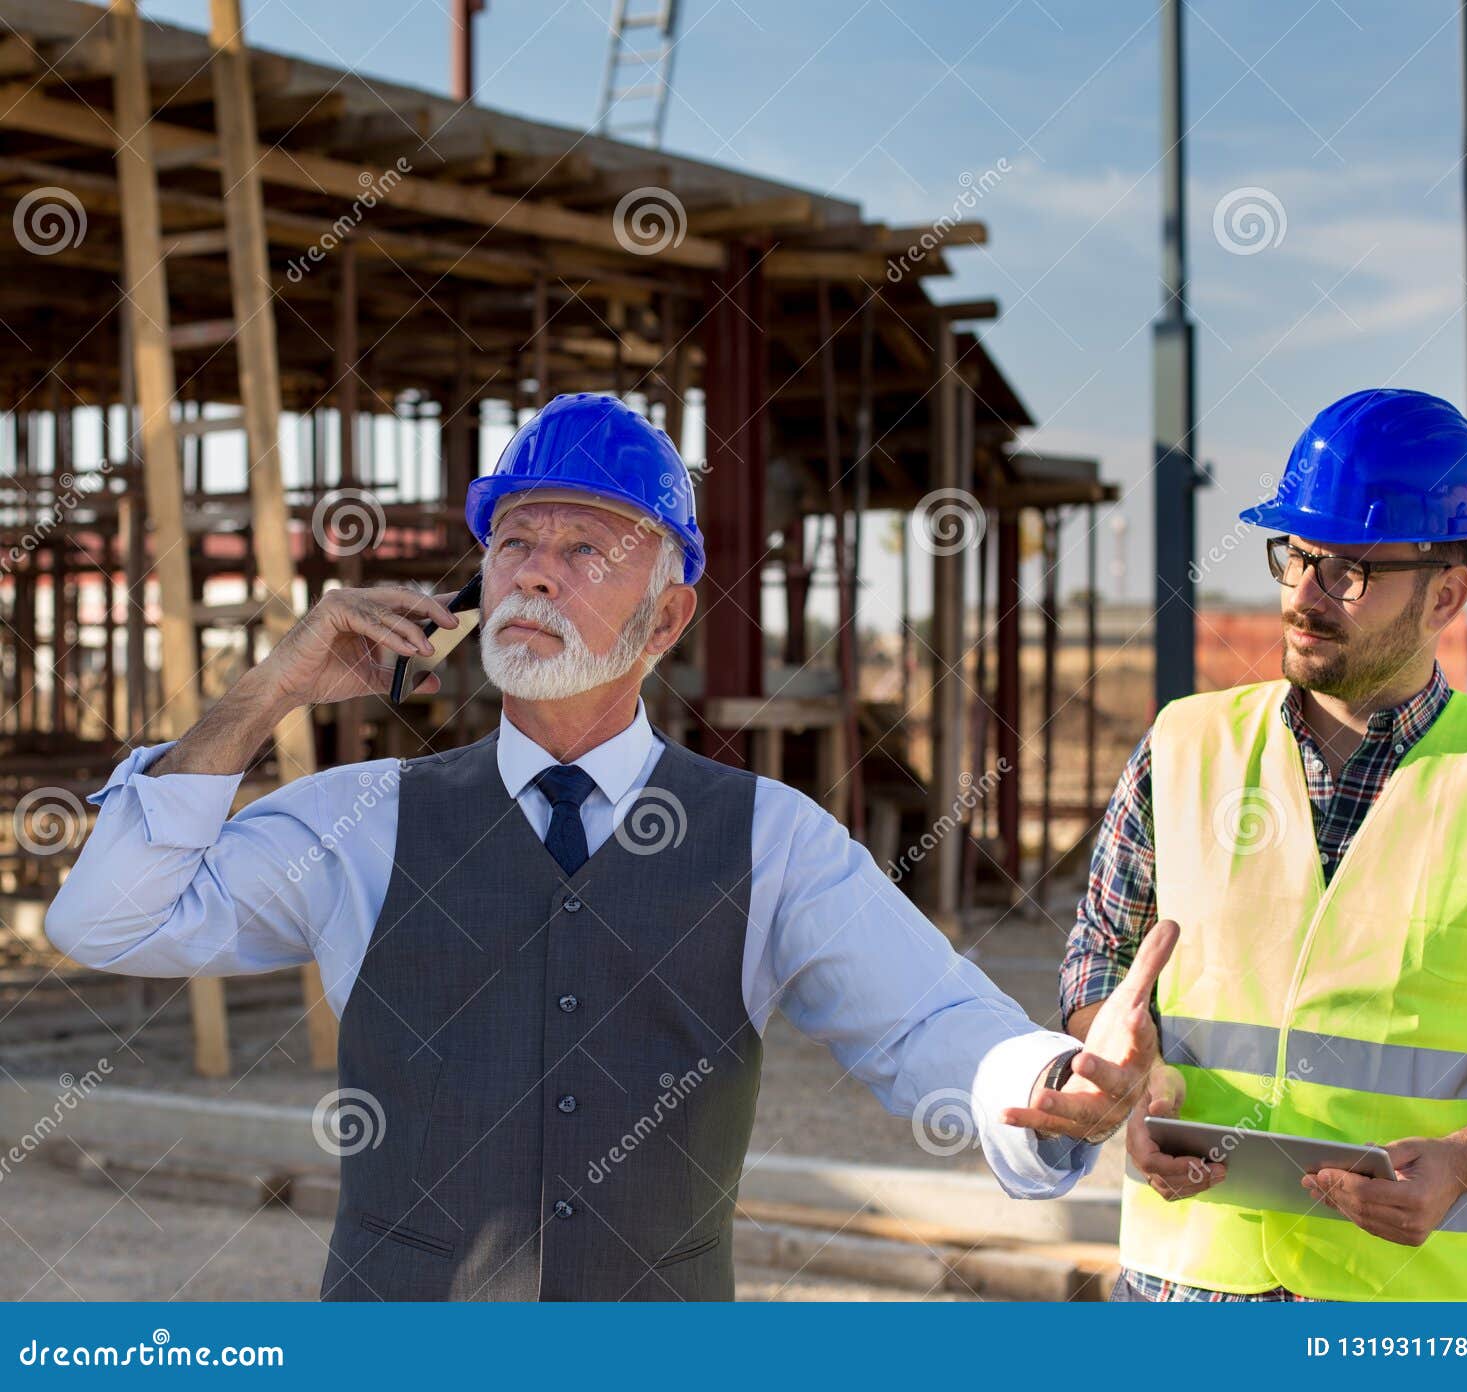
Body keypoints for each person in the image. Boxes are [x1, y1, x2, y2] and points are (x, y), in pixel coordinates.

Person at [47, 392, 1171, 1302]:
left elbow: (928, 1021)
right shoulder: (364, 820)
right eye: (514, 543)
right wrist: (270, 688)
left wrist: (1050, 1081)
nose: (533, 570)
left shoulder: (768, 840)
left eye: (585, 548)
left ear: (667, 618)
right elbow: (108, 919)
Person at [1060, 387, 1467, 1302]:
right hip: (1180, 1287)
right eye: (1296, 557)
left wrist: (1465, 1163)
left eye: (1348, 570)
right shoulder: (1182, 747)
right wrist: (1132, 1080)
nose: (1305, 596)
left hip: (1406, 1307)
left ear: (1448, 593)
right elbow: (1098, 964)